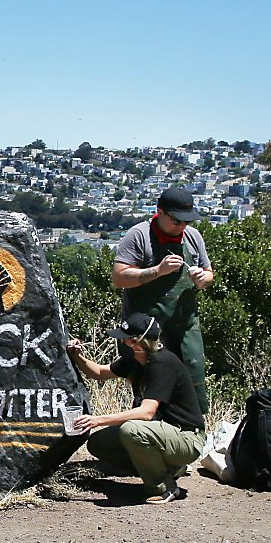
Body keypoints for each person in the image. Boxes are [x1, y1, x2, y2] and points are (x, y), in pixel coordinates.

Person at [65, 312, 205, 503]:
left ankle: (164, 487)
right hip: (162, 432)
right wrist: (76, 356)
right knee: (99, 443)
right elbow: (99, 372)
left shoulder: (163, 363)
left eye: (126, 339)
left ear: (138, 342)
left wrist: (98, 420)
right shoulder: (136, 360)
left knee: (131, 430)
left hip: (186, 438)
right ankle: (168, 467)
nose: (123, 342)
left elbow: (147, 413)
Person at [111, 186, 216, 411]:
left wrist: (202, 279)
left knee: (191, 390)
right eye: (176, 220)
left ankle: (192, 429)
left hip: (185, 329)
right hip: (147, 333)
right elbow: (119, 277)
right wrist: (158, 271)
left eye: (187, 221)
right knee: (151, 392)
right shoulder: (139, 236)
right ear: (159, 212)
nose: (182, 226)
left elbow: (209, 274)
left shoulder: (193, 237)